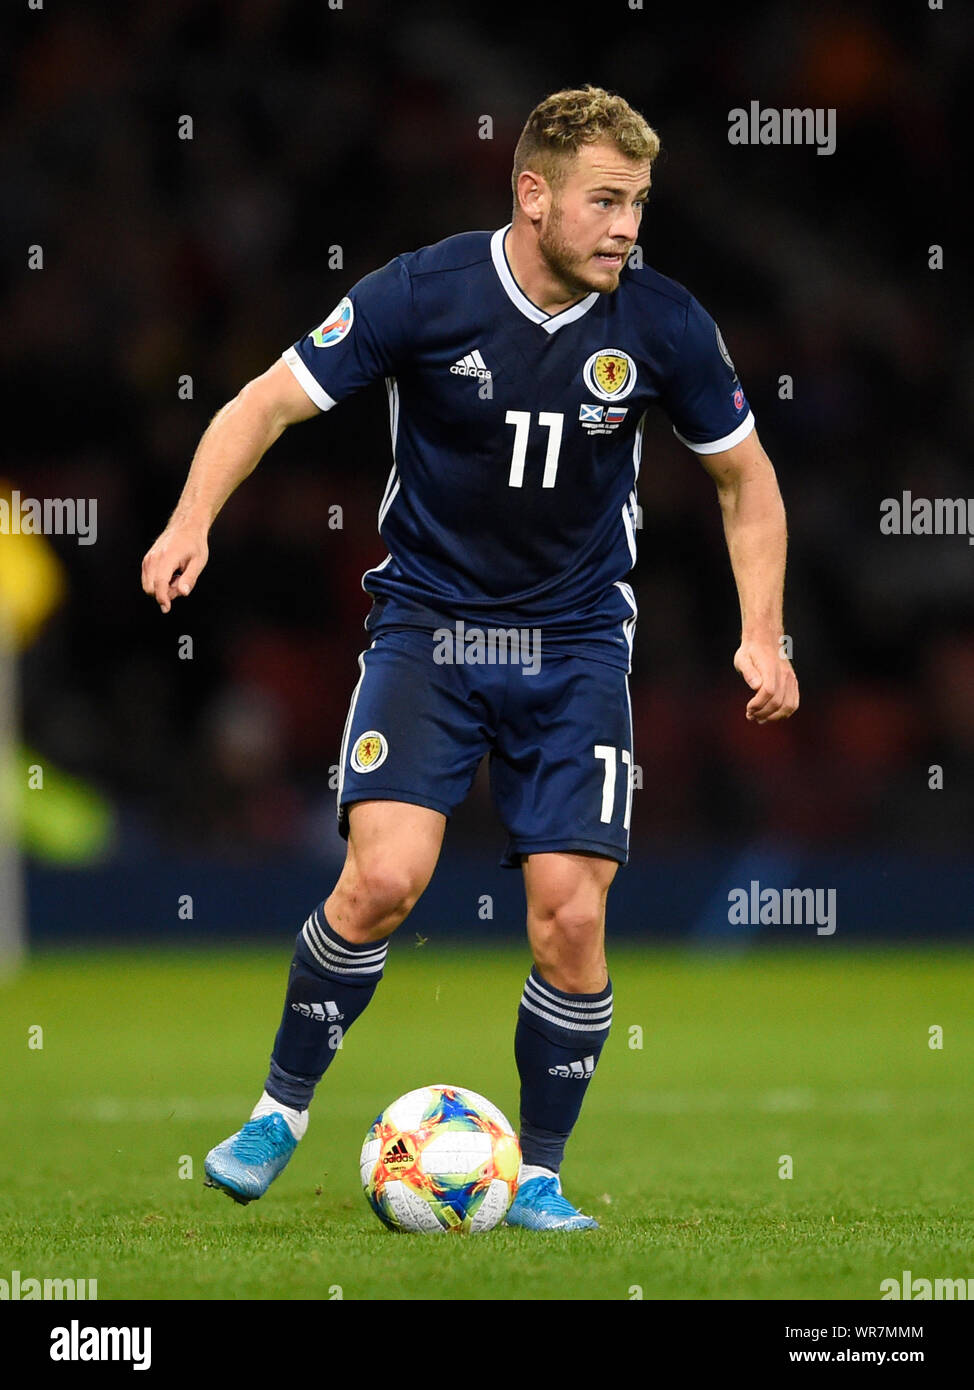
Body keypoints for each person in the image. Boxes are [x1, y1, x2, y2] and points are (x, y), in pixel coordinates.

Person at [141, 84, 799, 1231]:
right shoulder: (422, 292)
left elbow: (745, 477)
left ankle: (536, 1173)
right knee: (383, 878)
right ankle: (278, 1112)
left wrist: (760, 630)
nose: (626, 227)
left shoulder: (663, 324)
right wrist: (190, 518)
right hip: (430, 632)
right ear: (532, 194)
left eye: (639, 202)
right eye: (604, 200)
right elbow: (261, 405)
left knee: (569, 916)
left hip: (577, 643)